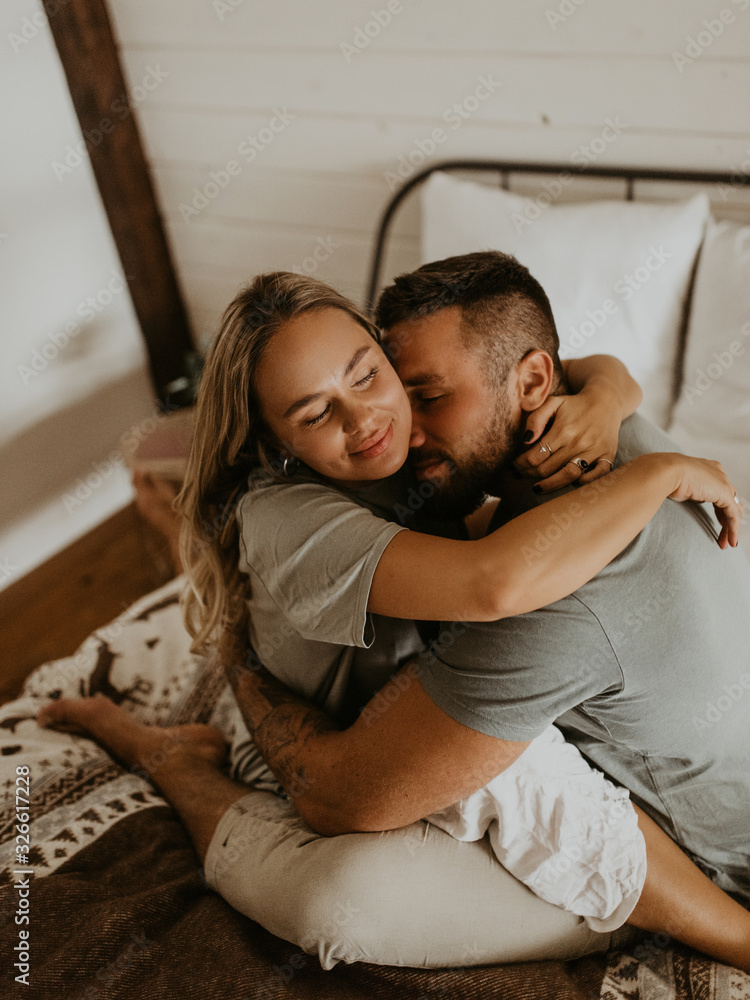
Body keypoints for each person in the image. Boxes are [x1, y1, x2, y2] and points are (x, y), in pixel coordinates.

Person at [37, 264, 750, 972]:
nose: (388, 423)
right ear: (280, 443)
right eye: (314, 412)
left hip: (433, 733)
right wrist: (656, 471)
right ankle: (172, 760)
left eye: (394, 384)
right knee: (341, 901)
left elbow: (589, 372)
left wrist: (609, 389)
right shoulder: (325, 506)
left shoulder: (518, 490)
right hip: (326, 737)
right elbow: (486, 588)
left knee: (523, 790)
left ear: (536, 380)